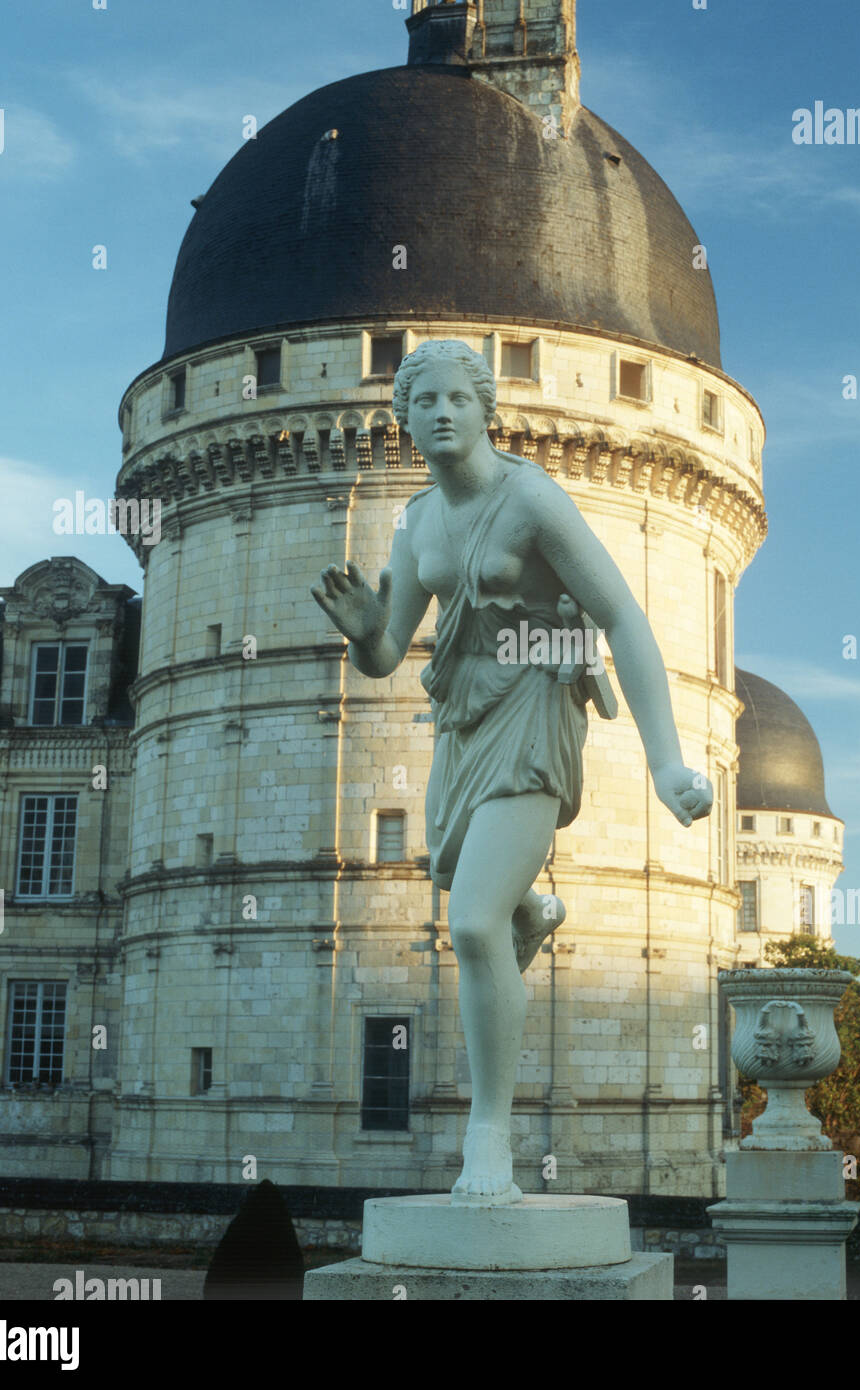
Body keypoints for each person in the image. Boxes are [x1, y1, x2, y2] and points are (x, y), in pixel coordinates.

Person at [312, 340, 711, 1205]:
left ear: (487, 408)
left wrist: (667, 759)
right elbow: (387, 654)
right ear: (406, 419)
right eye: (427, 401)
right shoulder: (418, 522)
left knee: (472, 925)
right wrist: (361, 628)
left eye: (461, 397)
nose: (445, 412)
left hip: (535, 709)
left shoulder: (530, 497)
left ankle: (487, 1135)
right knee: (469, 885)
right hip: (465, 717)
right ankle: (535, 908)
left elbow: (624, 620)